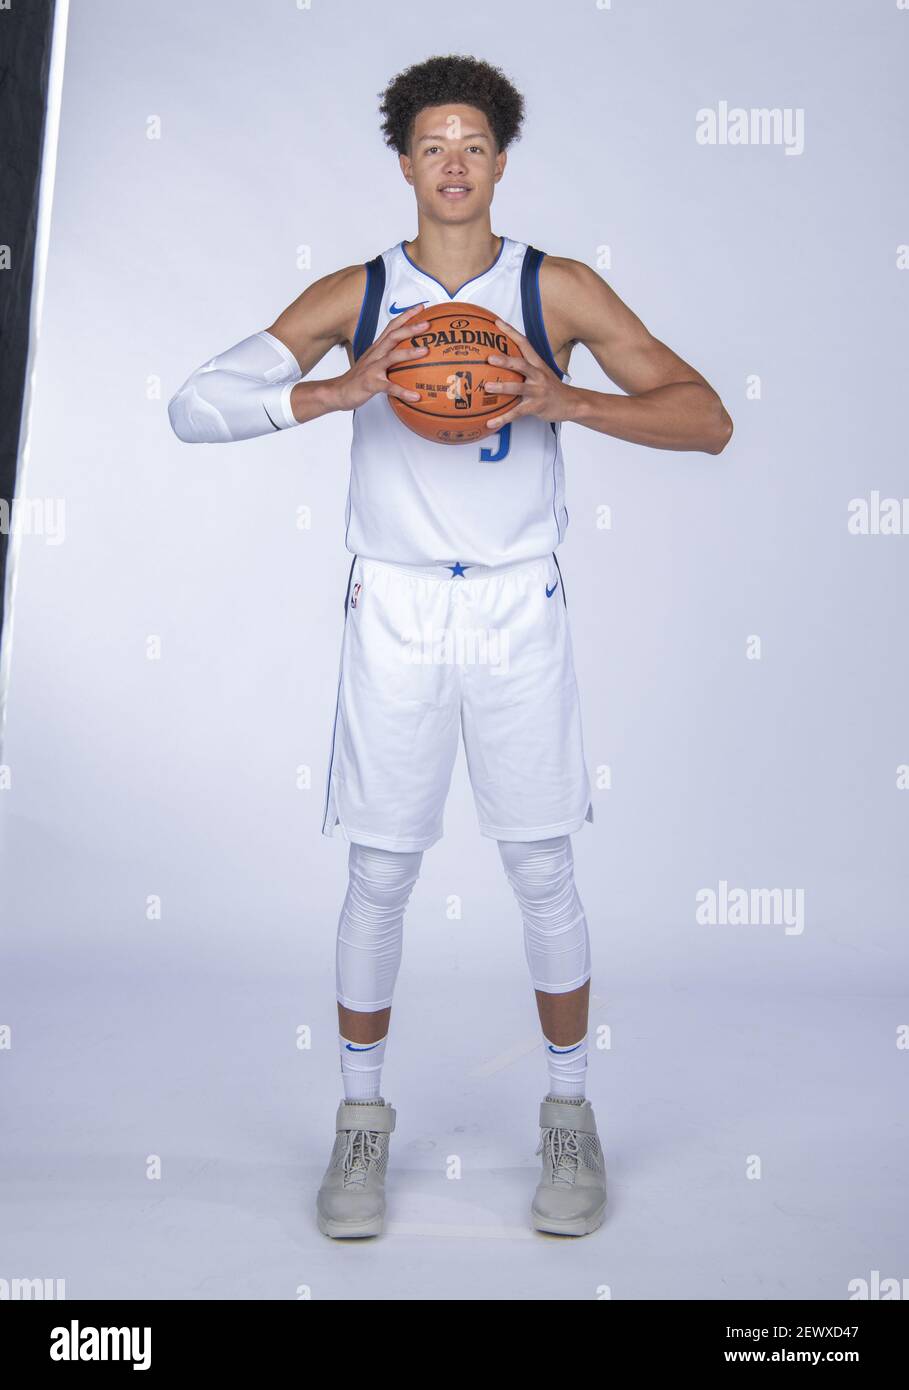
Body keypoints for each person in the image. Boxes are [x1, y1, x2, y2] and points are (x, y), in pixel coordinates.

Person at [168, 54, 733, 1240]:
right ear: (406, 161)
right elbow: (192, 405)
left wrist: (564, 401)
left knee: (541, 867)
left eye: (474, 143)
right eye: (434, 145)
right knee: (380, 869)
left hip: (521, 609)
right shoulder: (360, 294)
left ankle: (569, 1118)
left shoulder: (555, 289)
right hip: (399, 611)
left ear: (503, 158)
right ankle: (361, 1123)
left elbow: (706, 417)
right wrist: (338, 390)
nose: (455, 164)